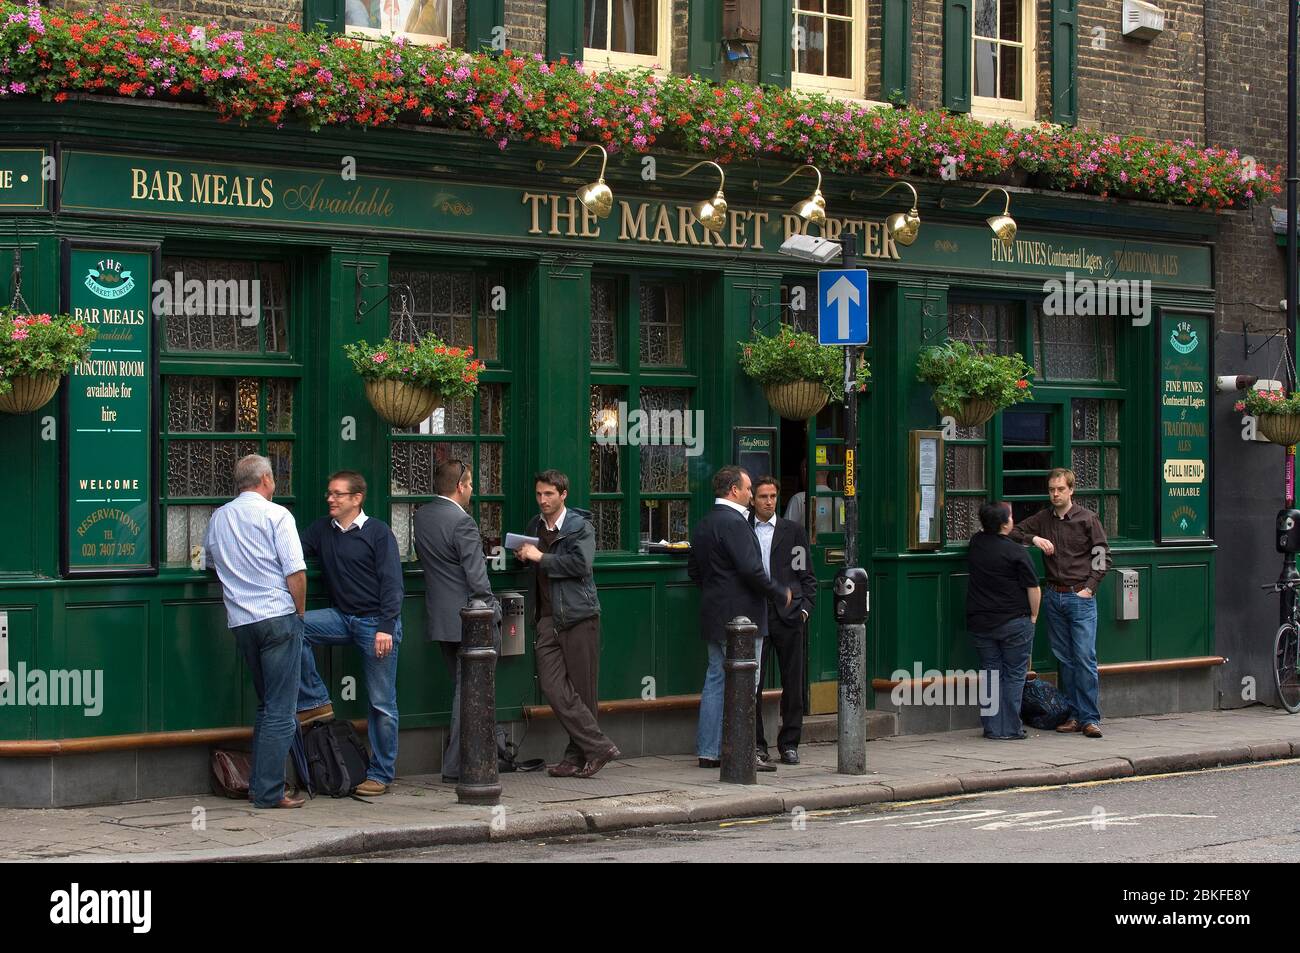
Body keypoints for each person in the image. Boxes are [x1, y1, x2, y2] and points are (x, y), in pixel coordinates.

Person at [203, 454, 307, 809]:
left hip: (242, 622)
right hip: (278, 616)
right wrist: (300, 612)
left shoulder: (219, 518)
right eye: (273, 479)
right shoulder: (277, 515)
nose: (274, 484)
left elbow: (210, 562)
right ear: (265, 479)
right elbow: (296, 571)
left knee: (267, 706)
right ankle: (268, 792)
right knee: (281, 709)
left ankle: (261, 785)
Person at [295, 471, 403, 796]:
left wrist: (386, 627)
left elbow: (393, 585)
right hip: (342, 617)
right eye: (330, 493)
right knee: (293, 626)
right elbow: (292, 552)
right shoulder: (321, 530)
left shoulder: (378, 533)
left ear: (357, 499)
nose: (331, 499)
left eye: (338, 494)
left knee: (382, 703)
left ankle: (381, 774)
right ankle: (314, 698)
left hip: (376, 624)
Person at [513, 470, 620, 779]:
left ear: (563, 495)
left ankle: (576, 756)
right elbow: (535, 558)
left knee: (584, 692)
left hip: (579, 616)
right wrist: (524, 556)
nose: (543, 500)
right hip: (547, 618)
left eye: (549, 494)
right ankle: (598, 746)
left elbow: (580, 565)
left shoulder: (579, 526)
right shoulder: (535, 525)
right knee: (552, 686)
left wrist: (539, 557)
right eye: (539, 494)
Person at [689, 465, 791, 769]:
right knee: (747, 682)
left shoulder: (705, 523)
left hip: (714, 612)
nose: (751, 494)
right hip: (742, 618)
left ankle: (710, 752)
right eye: (748, 489)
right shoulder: (735, 523)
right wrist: (778, 592)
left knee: (716, 681)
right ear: (734, 490)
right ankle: (743, 752)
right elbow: (751, 569)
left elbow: (695, 571)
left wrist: (719, 590)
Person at [1011, 468, 1111, 738]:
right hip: (1054, 596)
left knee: (1084, 658)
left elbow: (1102, 556)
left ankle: (1089, 718)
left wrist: (1089, 589)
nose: (1055, 494)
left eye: (1060, 489)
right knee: (1065, 659)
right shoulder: (1043, 519)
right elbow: (1012, 531)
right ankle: (1072, 715)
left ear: (1071, 491)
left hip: (1080, 597)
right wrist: (1034, 538)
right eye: (1051, 490)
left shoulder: (1088, 519)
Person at [413, 459, 495, 782]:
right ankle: (458, 765)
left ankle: (487, 748)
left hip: (440, 618)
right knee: (472, 693)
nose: (472, 490)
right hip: (469, 619)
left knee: (464, 690)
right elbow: (477, 579)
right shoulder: (464, 523)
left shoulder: (422, 516)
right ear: (460, 487)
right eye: (471, 484)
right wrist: (492, 611)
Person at [751, 476, 817, 766]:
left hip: (789, 617)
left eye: (773, 496)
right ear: (752, 499)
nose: (769, 501)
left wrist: (804, 610)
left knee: (793, 683)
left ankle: (790, 743)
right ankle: (756, 745)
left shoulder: (793, 532)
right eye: (763, 496)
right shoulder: (744, 529)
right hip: (754, 614)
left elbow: (807, 576)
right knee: (753, 683)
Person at [966, 502, 1041, 740]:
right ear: (1005, 524)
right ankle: (1010, 728)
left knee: (990, 672)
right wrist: (1034, 616)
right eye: (1010, 517)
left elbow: (979, 533)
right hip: (1014, 621)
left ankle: (991, 727)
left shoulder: (976, 544)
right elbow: (1033, 587)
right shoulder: (1017, 552)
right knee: (1014, 674)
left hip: (981, 621)